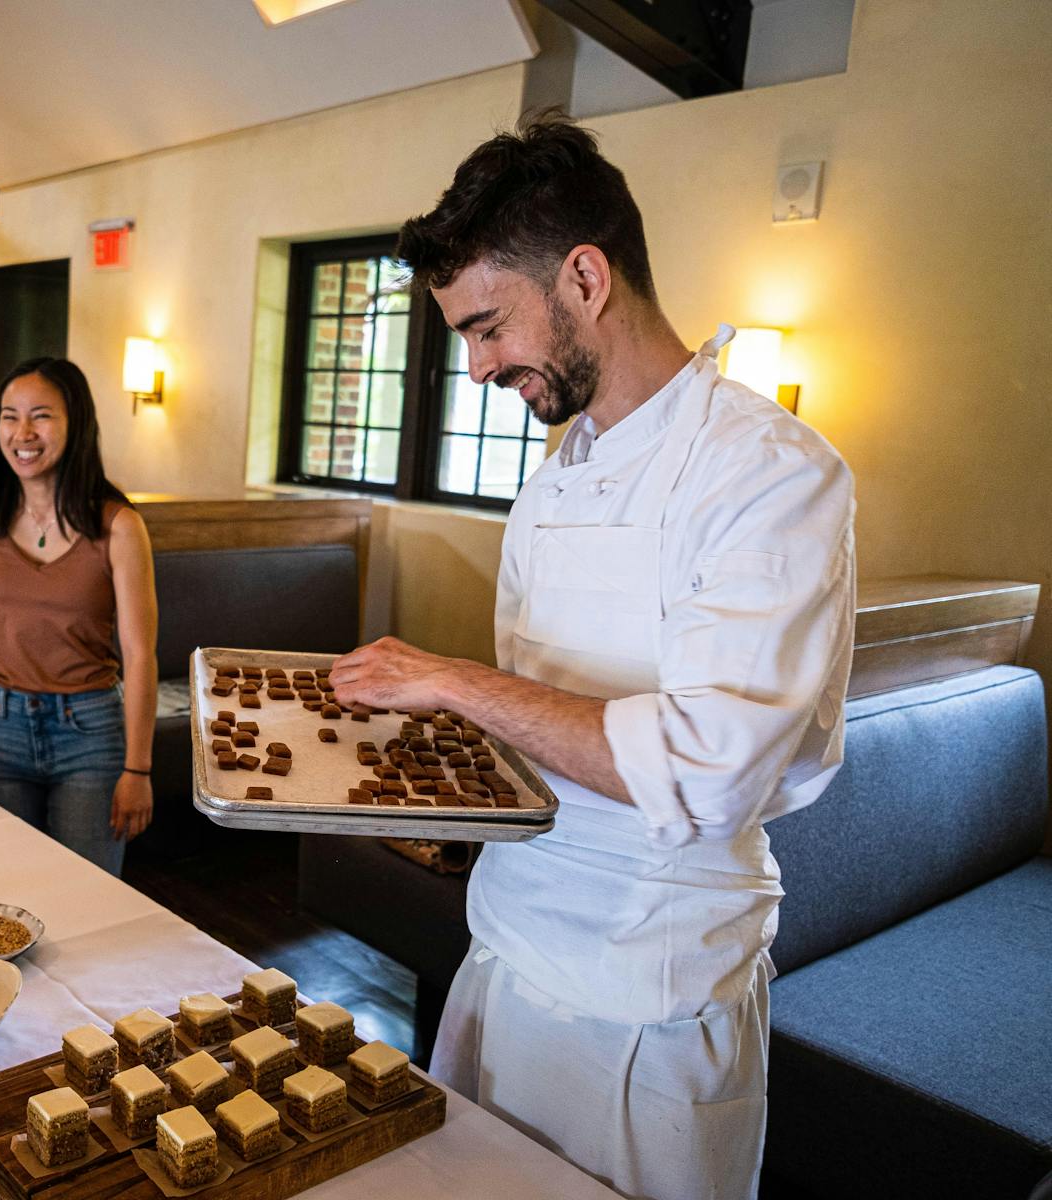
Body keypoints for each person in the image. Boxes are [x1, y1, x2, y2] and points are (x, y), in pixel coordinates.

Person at [329, 116, 855, 1200]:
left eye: (487, 328)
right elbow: (531, 722)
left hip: (649, 987)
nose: (474, 369)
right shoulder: (555, 475)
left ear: (584, 276)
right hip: (507, 945)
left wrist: (452, 679)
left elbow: (710, 767)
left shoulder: (774, 473)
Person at [0, 358, 157, 876]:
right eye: (9, 416)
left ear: (76, 423)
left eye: (41, 416)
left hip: (90, 732)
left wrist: (138, 767)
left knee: (88, 891)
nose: (23, 433)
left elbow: (140, 652)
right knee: (1, 886)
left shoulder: (119, 525)